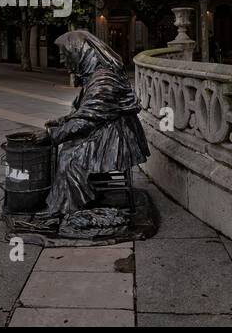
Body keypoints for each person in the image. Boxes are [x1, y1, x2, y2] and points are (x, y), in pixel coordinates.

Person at [34, 31, 149, 217]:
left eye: (65, 56)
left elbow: (87, 119)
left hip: (116, 137)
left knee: (70, 159)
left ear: (78, 52)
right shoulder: (94, 77)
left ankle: (68, 209)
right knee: (69, 148)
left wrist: (51, 136)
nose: (62, 61)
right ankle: (82, 195)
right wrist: (62, 121)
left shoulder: (103, 80)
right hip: (106, 129)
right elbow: (85, 112)